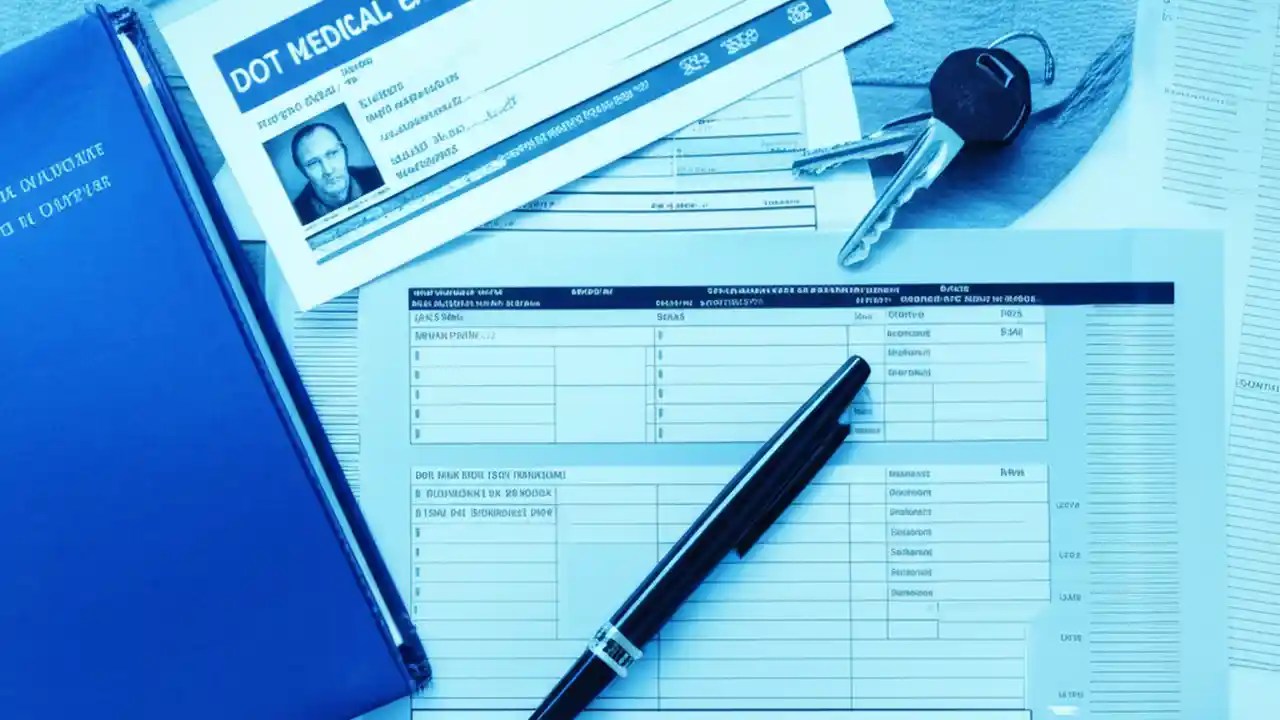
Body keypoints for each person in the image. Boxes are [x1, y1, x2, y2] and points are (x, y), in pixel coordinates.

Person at [289, 122, 384, 224]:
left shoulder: (380, 176)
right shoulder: (294, 218)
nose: (328, 170)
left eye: (332, 153)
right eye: (313, 163)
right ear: (302, 170)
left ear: (345, 152)